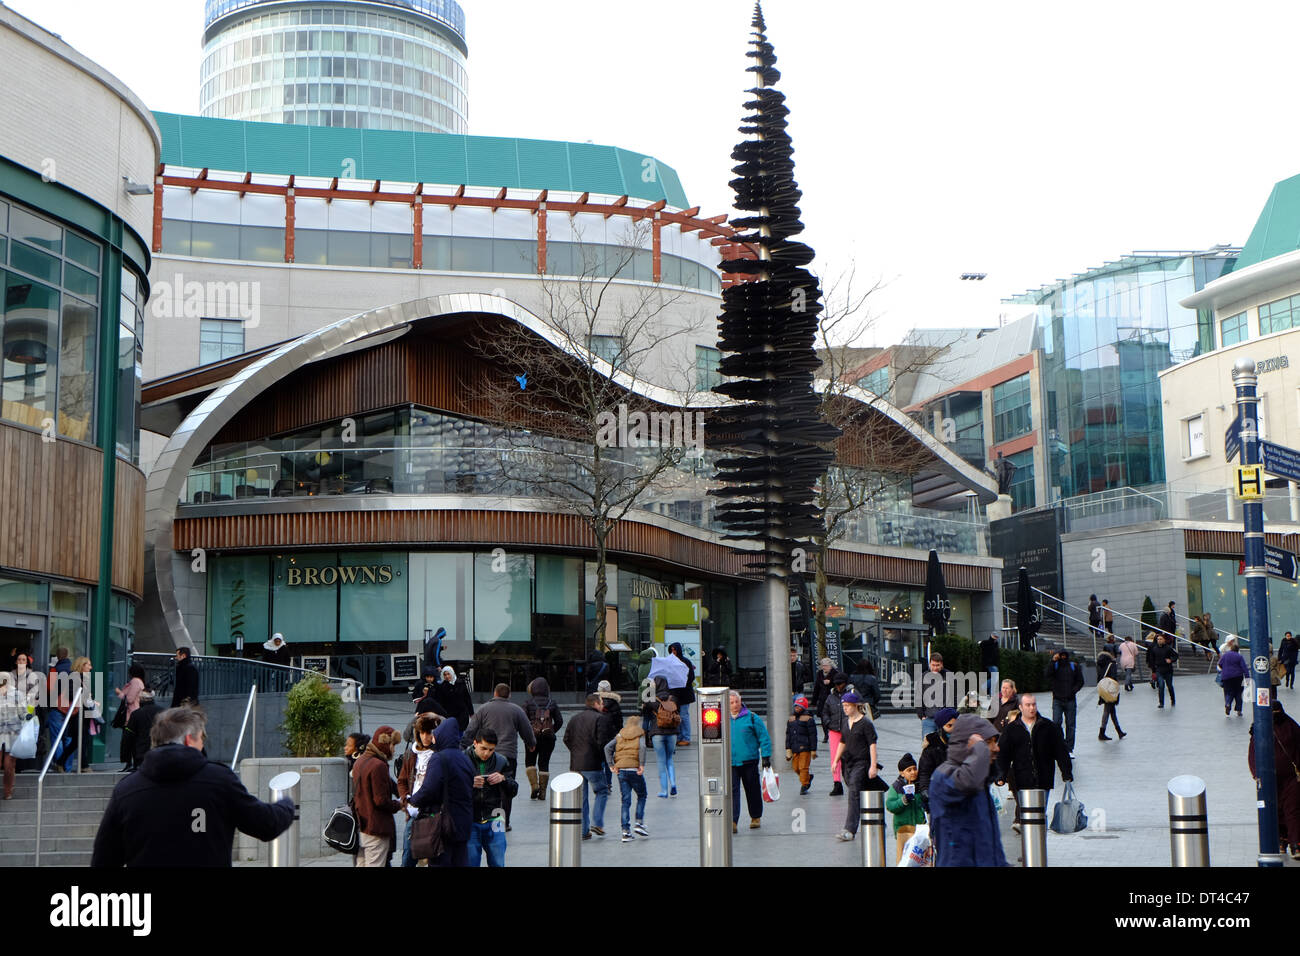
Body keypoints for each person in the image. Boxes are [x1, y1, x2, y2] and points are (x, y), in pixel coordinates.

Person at [90, 706, 294, 867]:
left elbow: (104, 859)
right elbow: (266, 824)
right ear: (189, 739)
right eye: (202, 737)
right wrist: (287, 803)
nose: (203, 744)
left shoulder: (126, 791)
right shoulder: (219, 780)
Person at [929, 714, 1006, 867]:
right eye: (988, 742)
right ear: (969, 745)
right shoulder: (944, 776)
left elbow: (990, 841)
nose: (996, 748)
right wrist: (980, 749)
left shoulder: (980, 783)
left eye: (995, 742)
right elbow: (967, 783)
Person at [460, 683, 535, 830]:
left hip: (485, 754)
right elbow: (526, 729)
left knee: (487, 787)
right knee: (506, 787)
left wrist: (463, 746)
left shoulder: (483, 709)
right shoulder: (516, 710)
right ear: (509, 695)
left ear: (494, 693)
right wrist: (531, 743)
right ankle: (503, 823)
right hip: (508, 754)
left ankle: (485, 818)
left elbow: (471, 730)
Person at [995, 693, 1071, 832]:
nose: (1031, 708)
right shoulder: (1012, 729)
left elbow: (1060, 751)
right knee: (1026, 816)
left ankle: (1040, 850)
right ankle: (1028, 850)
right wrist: (1001, 775)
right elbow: (1004, 754)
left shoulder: (1048, 727)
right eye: (1028, 705)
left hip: (1043, 779)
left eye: (1034, 704)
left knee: (1040, 815)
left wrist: (1066, 773)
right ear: (1020, 707)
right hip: (1021, 779)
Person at [408, 718, 475, 867]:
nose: (433, 738)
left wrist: (413, 800)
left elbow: (429, 789)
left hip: (444, 823)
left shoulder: (439, 758)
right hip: (463, 821)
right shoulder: (464, 758)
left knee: (440, 862)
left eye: (435, 735)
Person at [1249, 698, 1300, 859]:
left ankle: (1295, 843)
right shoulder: (1260, 729)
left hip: (1291, 777)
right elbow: (1253, 753)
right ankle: (1283, 840)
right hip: (1270, 777)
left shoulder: (1291, 728)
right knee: (1276, 809)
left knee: (1292, 809)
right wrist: (1256, 773)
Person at [352, 724, 404, 867]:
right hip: (376, 828)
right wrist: (399, 804)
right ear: (385, 744)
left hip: (362, 827)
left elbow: (390, 785)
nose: (394, 749)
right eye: (393, 745)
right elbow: (381, 801)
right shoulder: (378, 766)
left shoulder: (360, 761)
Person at [465, 728, 516, 866]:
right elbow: (450, 789)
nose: (487, 753)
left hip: (495, 818)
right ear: (475, 743)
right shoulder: (462, 759)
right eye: (484, 748)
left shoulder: (501, 761)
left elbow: (513, 790)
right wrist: (469, 783)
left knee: (498, 862)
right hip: (470, 819)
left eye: (491, 750)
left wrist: (503, 779)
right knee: (471, 862)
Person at [564, 693, 612, 839]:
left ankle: (584, 831)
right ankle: (597, 823)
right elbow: (602, 742)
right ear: (596, 703)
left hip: (576, 764)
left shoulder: (574, 718)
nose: (603, 705)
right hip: (593, 763)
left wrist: (576, 751)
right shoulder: (600, 719)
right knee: (602, 791)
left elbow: (566, 739)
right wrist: (602, 758)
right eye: (601, 702)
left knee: (582, 798)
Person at [834, 691, 879, 842]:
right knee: (856, 790)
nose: (845, 708)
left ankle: (849, 829)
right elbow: (842, 741)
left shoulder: (866, 723)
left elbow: (872, 744)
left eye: (847, 706)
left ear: (855, 706)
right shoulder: (845, 722)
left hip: (861, 762)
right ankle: (872, 816)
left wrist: (873, 766)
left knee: (853, 792)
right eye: (844, 706)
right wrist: (835, 760)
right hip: (848, 763)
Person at [396, 714, 439, 866]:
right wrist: (405, 800)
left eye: (430, 732)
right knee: (409, 854)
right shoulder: (410, 754)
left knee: (434, 854)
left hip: (433, 812)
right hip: (413, 811)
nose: (426, 736)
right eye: (423, 733)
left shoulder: (439, 755)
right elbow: (401, 781)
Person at [729, 691, 772, 833]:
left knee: (752, 789)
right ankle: (733, 821)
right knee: (732, 791)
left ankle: (755, 817)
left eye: (737, 702)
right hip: (730, 762)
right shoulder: (722, 720)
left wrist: (766, 756)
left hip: (749, 760)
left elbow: (764, 737)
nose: (735, 705)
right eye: (731, 702)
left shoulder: (752, 718)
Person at [0, 653, 41, 798]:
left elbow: (26, 708)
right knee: (5, 763)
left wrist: (28, 715)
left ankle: (8, 790)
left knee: (9, 764)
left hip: (13, 732)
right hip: (4, 732)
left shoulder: (18, 692)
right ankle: (8, 789)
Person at [604, 714, 649, 842]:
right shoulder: (640, 734)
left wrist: (611, 764)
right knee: (642, 795)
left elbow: (607, 747)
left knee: (625, 800)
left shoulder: (620, 735)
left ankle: (625, 831)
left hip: (621, 771)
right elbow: (642, 747)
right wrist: (641, 765)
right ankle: (639, 823)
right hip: (634, 769)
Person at [524, 677, 563, 799]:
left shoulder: (528, 703)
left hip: (532, 737)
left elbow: (523, 722)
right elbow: (559, 721)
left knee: (530, 761)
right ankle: (543, 791)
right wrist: (551, 731)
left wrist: (527, 736)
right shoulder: (552, 703)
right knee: (544, 763)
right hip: (548, 738)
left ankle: (534, 785)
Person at [63, 656, 102, 773]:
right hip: (78, 715)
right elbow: (71, 695)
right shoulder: (75, 677)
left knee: (77, 741)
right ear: (82, 665)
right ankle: (84, 765)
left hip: (83, 713)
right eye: (88, 665)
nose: (91, 667)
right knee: (82, 739)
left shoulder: (83, 678)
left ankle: (60, 761)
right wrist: (86, 697)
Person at [1043, 648, 1084, 755]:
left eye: (1064, 655)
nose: (1063, 658)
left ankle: (1069, 748)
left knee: (1070, 725)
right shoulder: (1055, 666)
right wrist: (1052, 661)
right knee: (1056, 723)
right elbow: (1047, 675)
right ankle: (1059, 745)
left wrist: (1073, 691)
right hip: (1057, 699)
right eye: (1061, 655)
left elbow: (1080, 681)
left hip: (1070, 700)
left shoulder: (1073, 667)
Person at [643, 683, 681, 798]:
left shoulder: (652, 700)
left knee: (661, 761)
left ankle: (664, 790)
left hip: (657, 733)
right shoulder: (673, 699)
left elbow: (645, 716)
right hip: (672, 733)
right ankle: (673, 783)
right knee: (669, 759)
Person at [886, 753, 925, 863]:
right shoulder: (896, 787)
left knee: (918, 859)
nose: (913, 772)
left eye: (914, 768)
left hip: (919, 828)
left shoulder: (921, 785)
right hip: (903, 829)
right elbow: (890, 806)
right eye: (909, 770)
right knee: (904, 859)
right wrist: (903, 801)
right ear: (902, 773)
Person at [916, 707, 957, 810]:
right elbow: (924, 773)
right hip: (937, 796)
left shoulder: (963, 744)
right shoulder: (931, 748)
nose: (953, 730)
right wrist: (925, 791)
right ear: (940, 727)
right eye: (949, 726)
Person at [114, 663, 147, 771]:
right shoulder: (140, 682)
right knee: (132, 740)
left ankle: (131, 764)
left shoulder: (135, 682)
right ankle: (132, 764)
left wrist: (119, 693)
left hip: (131, 716)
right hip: (134, 714)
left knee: (128, 740)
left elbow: (130, 699)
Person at [821, 674, 850, 795]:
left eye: (840, 683)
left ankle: (850, 781)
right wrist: (828, 723)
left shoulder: (852, 694)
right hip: (834, 730)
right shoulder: (830, 697)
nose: (838, 686)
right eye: (836, 684)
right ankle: (837, 783)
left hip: (849, 730)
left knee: (850, 756)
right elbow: (825, 712)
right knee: (835, 757)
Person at [917, 653, 956, 739]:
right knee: (927, 746)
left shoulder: (949, 676)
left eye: (937, 665)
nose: (935, 668)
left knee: (947, 745)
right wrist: (921, 715)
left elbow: (955, 696)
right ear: (929, 664)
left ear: (941, 664)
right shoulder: (923, 677)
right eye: (933, 665)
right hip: (929, 718)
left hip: (946, 719)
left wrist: (952, 714)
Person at [786, 695, 818, 795]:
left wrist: (813, 749)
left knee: (803, 767)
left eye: (799, 706)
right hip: (795, 747)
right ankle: (807, 778)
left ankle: (804, 785)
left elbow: (813, 735)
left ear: (803, 707)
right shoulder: (791, 719)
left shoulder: (808, 719)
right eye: (795, 706)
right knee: (795, 767)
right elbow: (788, 734)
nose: (797, 708)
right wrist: (788, 748)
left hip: (805, 747)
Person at [123, 690, 160, 771]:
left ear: (141, 699)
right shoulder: (164, 712)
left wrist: (126, 755)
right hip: (160, 751)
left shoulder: (136, 714)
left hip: (142, 752)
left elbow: (128, 735)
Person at [1096, 642, 1125, 741]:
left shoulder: (1100, 663)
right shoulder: (1111, 664)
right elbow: (1113, 678)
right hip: (1110, 690)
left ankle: (1119, 731)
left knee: (1111, 711)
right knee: (1108, 711)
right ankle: (1102, 732)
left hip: (1103, 689)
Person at [811, 657, 845, 743]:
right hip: (822, 698)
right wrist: (814, 701)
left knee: (833, 715)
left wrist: (831, 683)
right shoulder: (819, 674)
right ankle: (826, 734)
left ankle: (834, 732)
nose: (824, 668)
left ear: (830, 666)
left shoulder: (835, 673)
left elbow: (840, 685)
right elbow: (816, 687)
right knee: (823, 717)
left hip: (833, 698)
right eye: (822, 666)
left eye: (826, 666)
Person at [669, 643, 696, 746]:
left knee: (684, 715)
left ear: (679, 650)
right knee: (677, 715)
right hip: (675, 694)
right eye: (671, 650)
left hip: (684, 693)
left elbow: (691, 677)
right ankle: (679, 736)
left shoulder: (686, 661)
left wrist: (682, 681)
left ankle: (686, 737)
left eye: (675, 650)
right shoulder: (670, 662)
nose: (673, 652)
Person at [434, 665, 473, 734]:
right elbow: (440, 701)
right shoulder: (442, 686)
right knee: (451, 732)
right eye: (445, 674)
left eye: (448, 674)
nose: (447, 676)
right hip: (449, 714)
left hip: (462, 713)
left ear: (452, 673)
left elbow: (467, 698)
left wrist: (471, 712)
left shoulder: (460, 683)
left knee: (460, 732)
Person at [1147, 632, 1179, 708]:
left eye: (1161, 639)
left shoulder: (1168, 648)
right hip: (1159, 669)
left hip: (1168, 670)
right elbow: (1151, 659)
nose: (1159, 640)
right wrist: (1153, 670)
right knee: (1161, 685)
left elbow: (1176, 655)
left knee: (1169, 686)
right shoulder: (1154, 649)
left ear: (1164, 640)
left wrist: (1171, 660)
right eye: (1158, 639)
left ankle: (1173, 700)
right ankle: (1161, 703)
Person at [1218, 637, 1247, 717]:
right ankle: (1239, 710)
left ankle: (1227, 704)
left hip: (1226, 677)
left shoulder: (1225, 655)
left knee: (1229, 692)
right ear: (1237, 650)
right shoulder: (1239, 656)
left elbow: (1220, 664)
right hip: (1238, 677)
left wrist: (1224, 670)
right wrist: (1247, 677)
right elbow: (1244, 667)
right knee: (1238, 693)